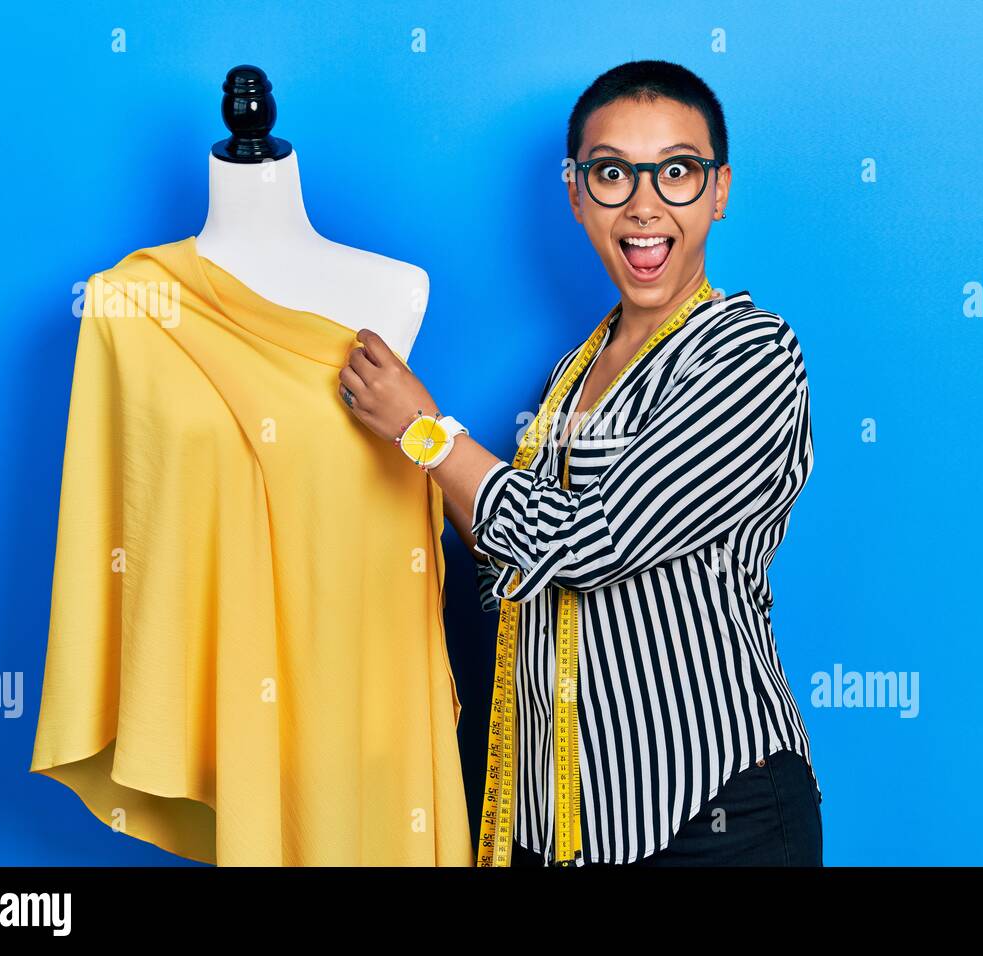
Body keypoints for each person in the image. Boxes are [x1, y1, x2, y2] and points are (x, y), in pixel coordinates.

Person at [337, 59, 820, 867]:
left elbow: (590, 543)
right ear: (575, 192)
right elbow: (512, 550)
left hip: (711, 815)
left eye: (676, 172)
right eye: (611, 175)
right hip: (560, 824)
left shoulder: (749, 355)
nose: (644, 206)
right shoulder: (572, 375)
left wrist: (423, 433)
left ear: (720, 190)